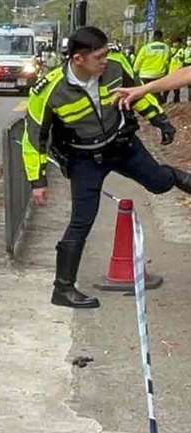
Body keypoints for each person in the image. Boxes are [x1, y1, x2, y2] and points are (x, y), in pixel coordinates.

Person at [22, 26, 191, 309]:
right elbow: (34, 138)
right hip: (84, 159)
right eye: (98, 57)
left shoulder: (115, 65)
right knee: (81, 220)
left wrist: (159, 120)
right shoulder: (49, 89)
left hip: (122, 146)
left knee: (161, 183)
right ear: (78, 59)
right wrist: (37, 181)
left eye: (106, 54)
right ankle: (63, 289)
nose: (105, 61)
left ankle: (177, 176)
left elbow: (137, 91)